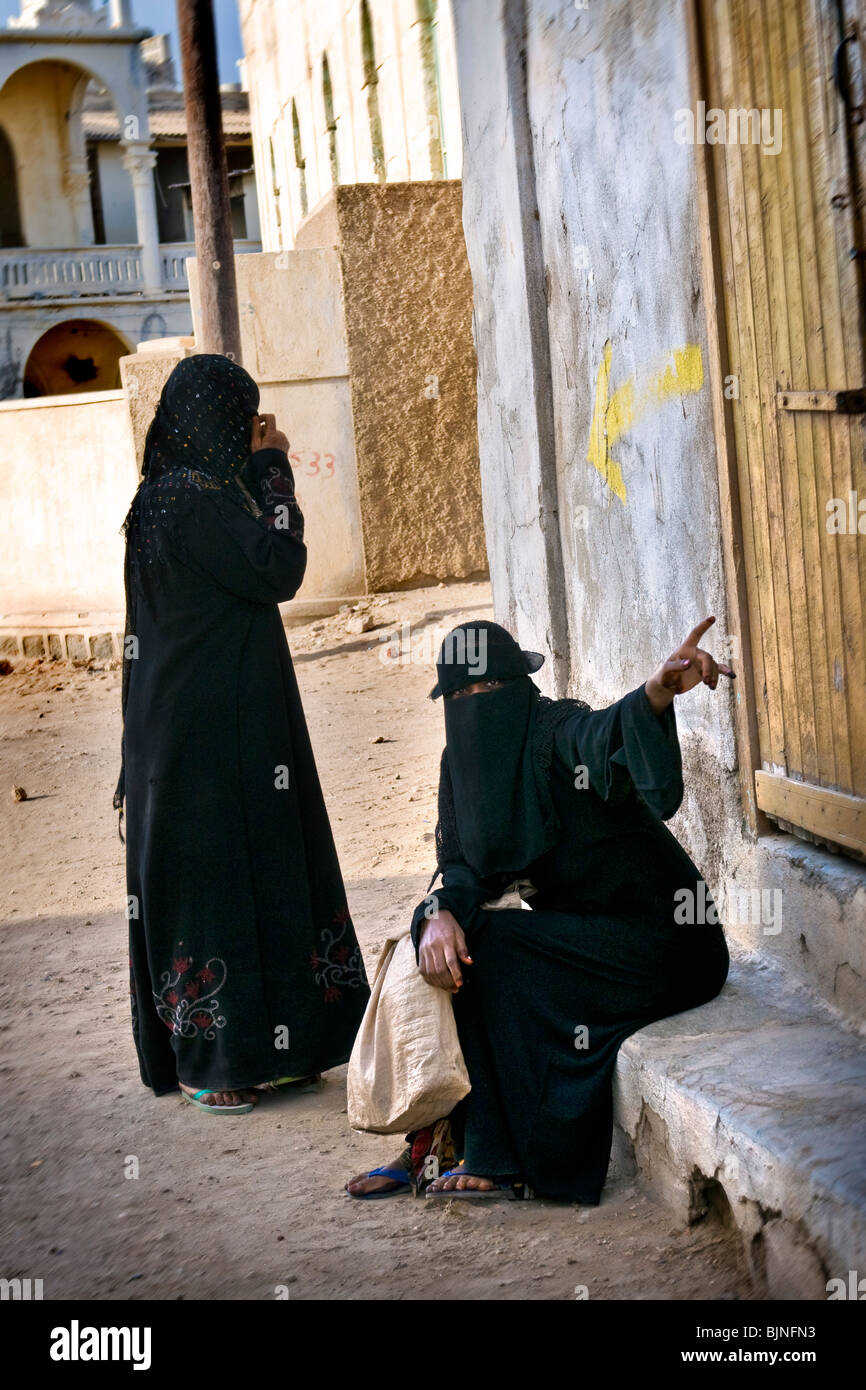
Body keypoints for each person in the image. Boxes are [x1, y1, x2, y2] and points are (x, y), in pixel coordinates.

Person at [346, 617, 730, 1199]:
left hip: (669, 941)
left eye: (489, 688)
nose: (474, 704)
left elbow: (603, 735)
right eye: (458, 694)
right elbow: (460, 869)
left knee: (493, 954)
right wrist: (436, 914)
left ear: (519, 685)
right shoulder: (462, 768)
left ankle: (501, 1157)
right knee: (456, 948)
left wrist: (656, 691)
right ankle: (442, 1144)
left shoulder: (556, 733)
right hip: (586, 938)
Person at [115, 354, 369, 1115]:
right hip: (207, 733)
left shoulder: (159, 502)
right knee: (222, 884)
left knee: (254, 871)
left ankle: (278, 1049)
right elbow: (280, 568)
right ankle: (215, 1062)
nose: (252, 433)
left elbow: (139, 634)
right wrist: (274, 470)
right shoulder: (196, 502)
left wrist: (132, 749)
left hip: (206, 727)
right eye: (244, 419)